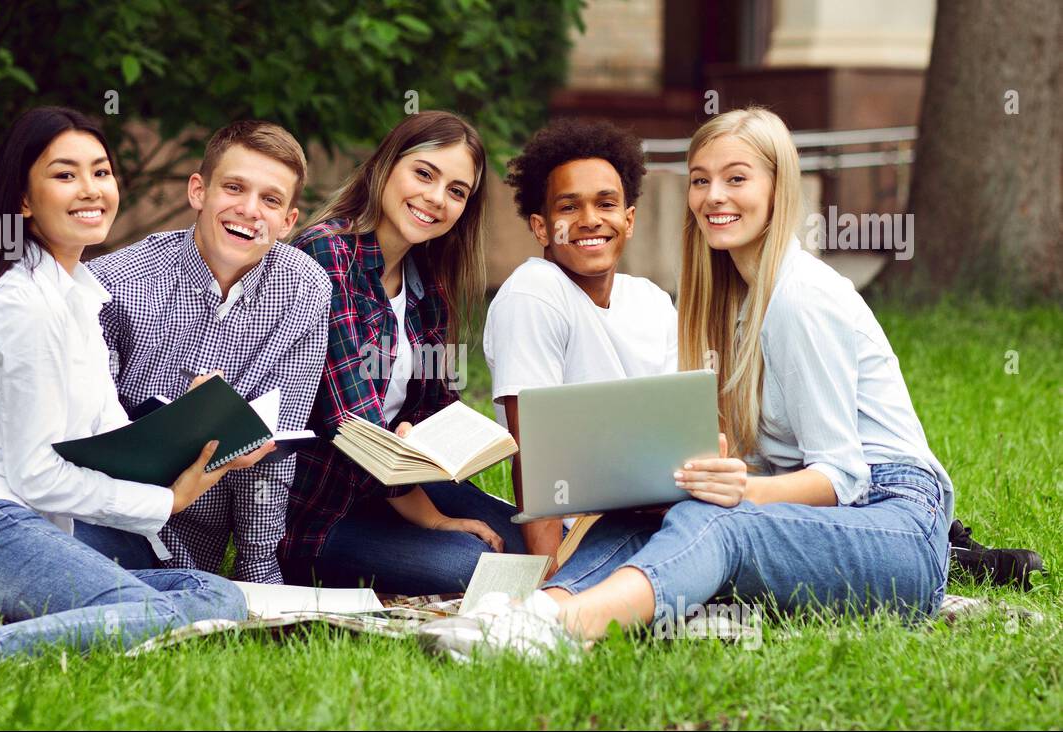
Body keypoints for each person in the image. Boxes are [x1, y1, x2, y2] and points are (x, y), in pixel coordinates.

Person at [422, 107, 954, 658]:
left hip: (897, 522)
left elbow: (843, 477)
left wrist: (741, 492)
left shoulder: (799, 298)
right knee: (654, 511)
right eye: (701, 180)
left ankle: (565, 628)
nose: (714, 196)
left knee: (717, 522)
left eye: (737, 178)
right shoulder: (731, 302)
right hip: (820, 515)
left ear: (779, 188)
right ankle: (527, 617)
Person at [0, 119, 330, 590]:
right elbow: (79, 431)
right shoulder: (114, 283)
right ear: (198, 191)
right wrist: (183, 416)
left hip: (166, 525)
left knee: (13, 562)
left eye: (270, 200)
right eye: (234, 188)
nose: (249, 210)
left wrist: (258, 568)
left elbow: (272, 451)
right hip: (79, 489)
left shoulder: (305, 289)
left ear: (288, 221)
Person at [0, 106, 269, 675]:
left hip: (27, 531)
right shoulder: (25, 304)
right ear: (24, 201)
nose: (91, 190)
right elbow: (36, 475)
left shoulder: (79, 296)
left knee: (216, 596)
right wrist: (169, 501)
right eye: (65, 175)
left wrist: (191, 427)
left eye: (101, 172)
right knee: (149, 612)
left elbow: (97, 443)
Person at [280, 111, 525, 595]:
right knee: (475, 562)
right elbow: (356, 431)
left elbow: (437, 400)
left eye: (457, 191)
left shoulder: (427, 278)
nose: (436, 199)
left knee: (527, 538)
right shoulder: (327, 254)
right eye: (424, 174)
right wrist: (435, 522)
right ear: (386, 166)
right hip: (321, 511)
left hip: (399, 486)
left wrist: (439, 437)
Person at [484, 119, 678, 562]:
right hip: (584, 533)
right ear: (541, 227)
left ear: (628, 220)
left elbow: (677, 437)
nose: (590, 220)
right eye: (569, 207)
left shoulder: (650, 300)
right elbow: (535, 455)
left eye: (606, 204)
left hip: (661, 514)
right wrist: (549, 581)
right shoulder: (535, 292)